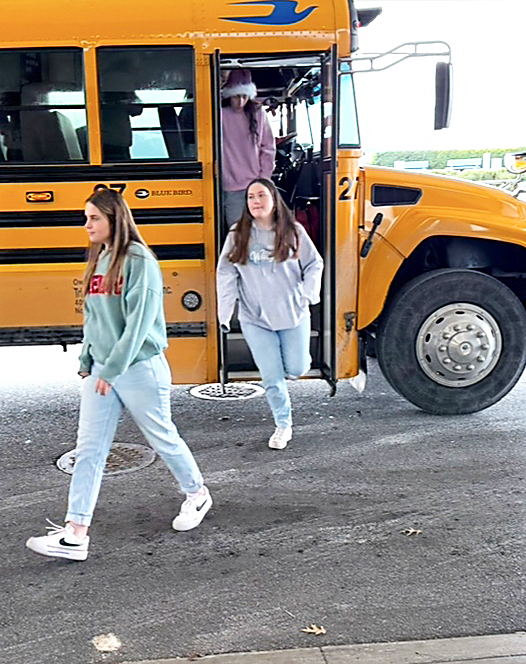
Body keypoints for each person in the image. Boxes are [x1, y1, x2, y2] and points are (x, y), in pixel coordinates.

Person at [26, 188, 211, 561]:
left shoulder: (139, 260)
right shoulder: (99, 259)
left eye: (94, 217)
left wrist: (109, 369)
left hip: (138, 366)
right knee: (89, 450)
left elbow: (139, 325)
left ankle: (197, 494)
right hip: (102, 371)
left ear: (115, 218)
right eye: (86, 217)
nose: (86, 224)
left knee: (161, 436)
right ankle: (76, 533)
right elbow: (93, 317)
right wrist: (86, 360)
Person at [216, 178, 323, 450]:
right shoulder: (237, 236)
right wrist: (226, 313)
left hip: (293, 315)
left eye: (261, 195)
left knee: (297, 368)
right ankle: (283, 425)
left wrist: (308, 296)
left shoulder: (293, 232)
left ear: (274, 200)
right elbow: (226, 274)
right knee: (271, 378)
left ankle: (292, 369)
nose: (256, 201)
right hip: (256, 319)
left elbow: (314, 264)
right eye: (251, 197)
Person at [220, 69, 275, 228]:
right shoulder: (219, 115)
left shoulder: (258, 114)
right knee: (237, 233)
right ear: (229, 95)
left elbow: (268, 148)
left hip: (256, 183)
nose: (241, 101)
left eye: (245, 96)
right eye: (237, 96)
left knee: (261, 229)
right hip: (230, 186)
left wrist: (264, 178)